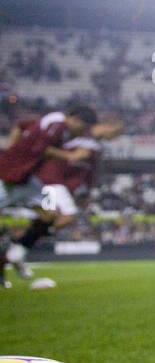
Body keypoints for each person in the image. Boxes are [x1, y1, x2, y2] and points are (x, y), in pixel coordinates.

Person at [4, 115, 125, 281]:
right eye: (117, 133)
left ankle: (17, 247)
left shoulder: (92, 144)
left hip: (52, 184)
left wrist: (84, 190)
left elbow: (86, 171)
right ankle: (18, 246)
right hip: (50, 182)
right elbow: (26, 128)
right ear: (108, 126)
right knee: (66, 215)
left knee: (48, 217)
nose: (115, 138)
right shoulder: (76, 133)